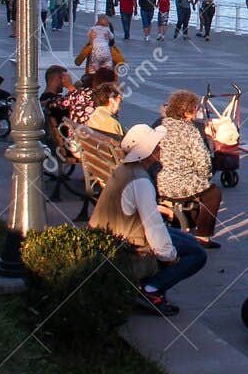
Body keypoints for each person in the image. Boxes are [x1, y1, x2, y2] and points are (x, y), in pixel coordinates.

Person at [90, 124, 207, 316]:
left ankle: (151, 286)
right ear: (147, 153)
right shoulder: (140, 180)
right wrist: (170, 256)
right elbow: (153, 227)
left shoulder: (126, 170)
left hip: (115, 233)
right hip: (126, 246)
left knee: (189, 240)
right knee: (197, 254)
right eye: (157, 146)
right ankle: (150, 290)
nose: (160, 149)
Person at [156, 90, 224, 248]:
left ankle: (186, 223)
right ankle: (203, 236)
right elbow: (203, 161)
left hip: (160, 182)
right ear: (187, 112)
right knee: (213, 193)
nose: (196, 112)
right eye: (195, 109)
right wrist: (205, 175)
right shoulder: (190, 130)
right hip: (180, 184)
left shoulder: (161, 124)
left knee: (198, 187)